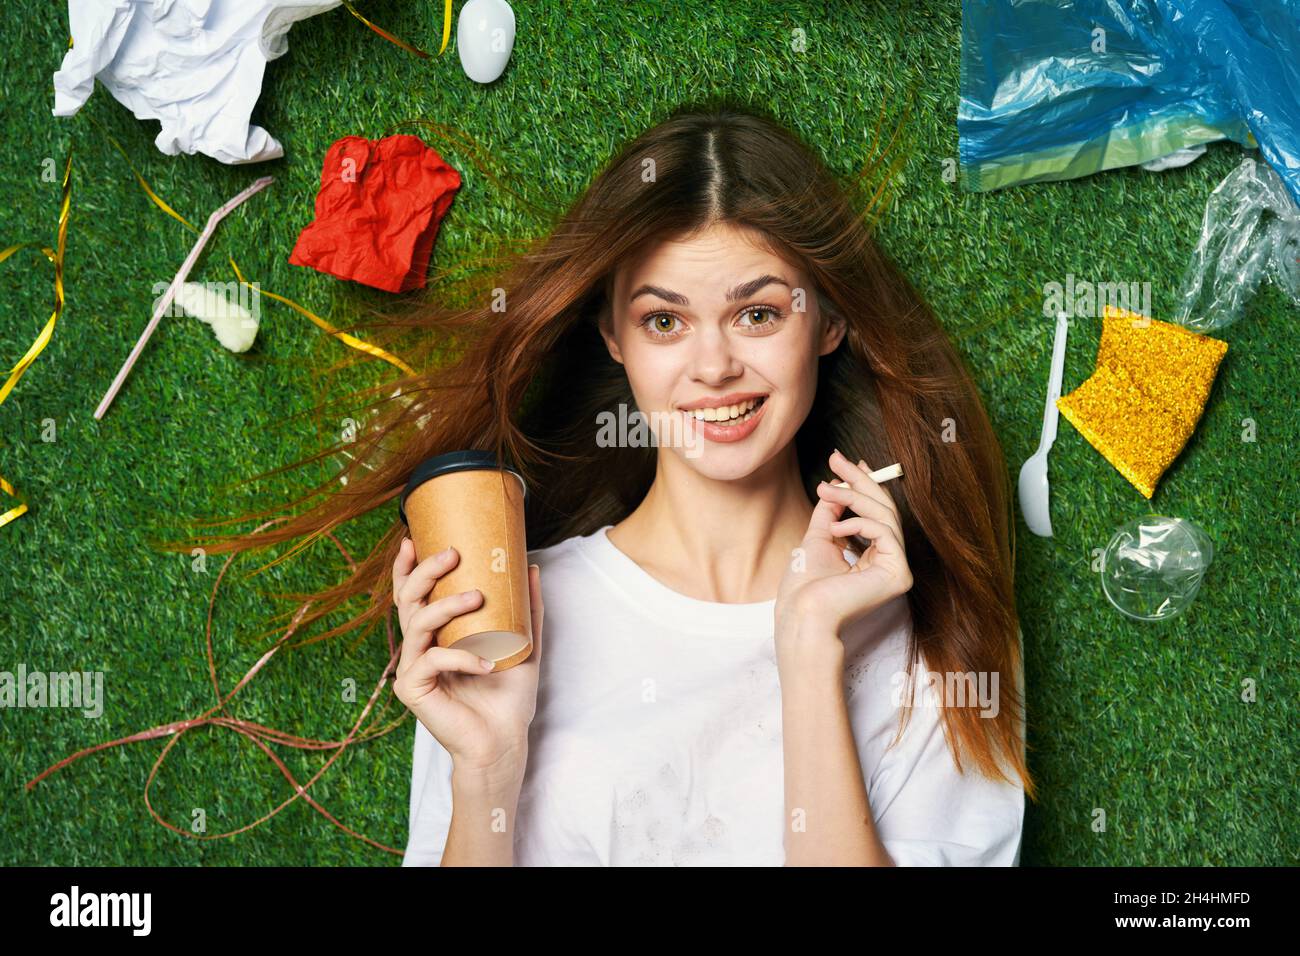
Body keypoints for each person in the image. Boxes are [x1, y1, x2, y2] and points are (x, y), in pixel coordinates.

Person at [187, 103, 1034, 865]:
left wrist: (811, 653)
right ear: (615, 339)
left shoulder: (932, 635)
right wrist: (486, 769)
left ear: (831, 320)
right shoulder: (503, 622)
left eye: (759, 313)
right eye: (664, 320)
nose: (713, 366)